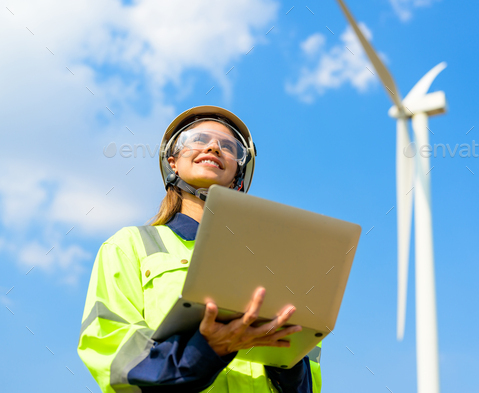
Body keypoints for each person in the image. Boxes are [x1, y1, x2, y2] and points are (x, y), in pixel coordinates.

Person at [78, 105, 322, 393]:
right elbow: (112, 353)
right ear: (173, 162)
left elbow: (309, 383)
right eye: (199, 139)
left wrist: (285, 357)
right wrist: (206, 352)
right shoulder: (129, 246)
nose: (214, 147)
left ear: (238, 174)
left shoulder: (270, 263)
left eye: (229, 146)